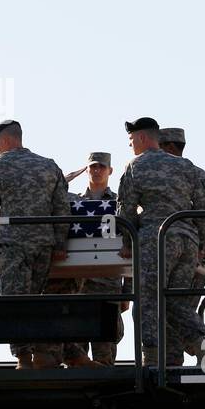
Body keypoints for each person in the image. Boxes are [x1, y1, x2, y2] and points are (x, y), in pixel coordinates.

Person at [116, 118, 205, 368]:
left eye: (132, 140)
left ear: (143, 138)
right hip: (187, 241)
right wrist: (200, 243)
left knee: (148, 300)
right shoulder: (187, 167)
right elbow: (204, 208)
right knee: (174, 300)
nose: (131, 146)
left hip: (156, 239)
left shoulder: (135, 165)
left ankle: (151, 360)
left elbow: (126, 209)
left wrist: (126, 241)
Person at [0, 120, 71, 369]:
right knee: (36, 299)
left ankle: (23, 358)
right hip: (44, 245)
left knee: (14, 301)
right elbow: (62, 208)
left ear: (6, 140)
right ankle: (41, 354)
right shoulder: (49, 165)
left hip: (14, 244)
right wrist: (60, 243)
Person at [57, 152, 124, 366]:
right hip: (81, 281)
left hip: (109, 280)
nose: (96, 171)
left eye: (101, 167)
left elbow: (131, 241)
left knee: (106, 345)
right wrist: (71, 175)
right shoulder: (75, 201)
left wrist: (128, 288)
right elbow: (55, 190)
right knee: (78, 339)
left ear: (110, 171)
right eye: (92, 167)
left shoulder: (120, 202)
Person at [159, 128, 205, 297]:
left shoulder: (198, 175)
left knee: (180, 312)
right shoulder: (155, 174)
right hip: (160, 253)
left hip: (194, 257)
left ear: (169, 147)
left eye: (158, 147)